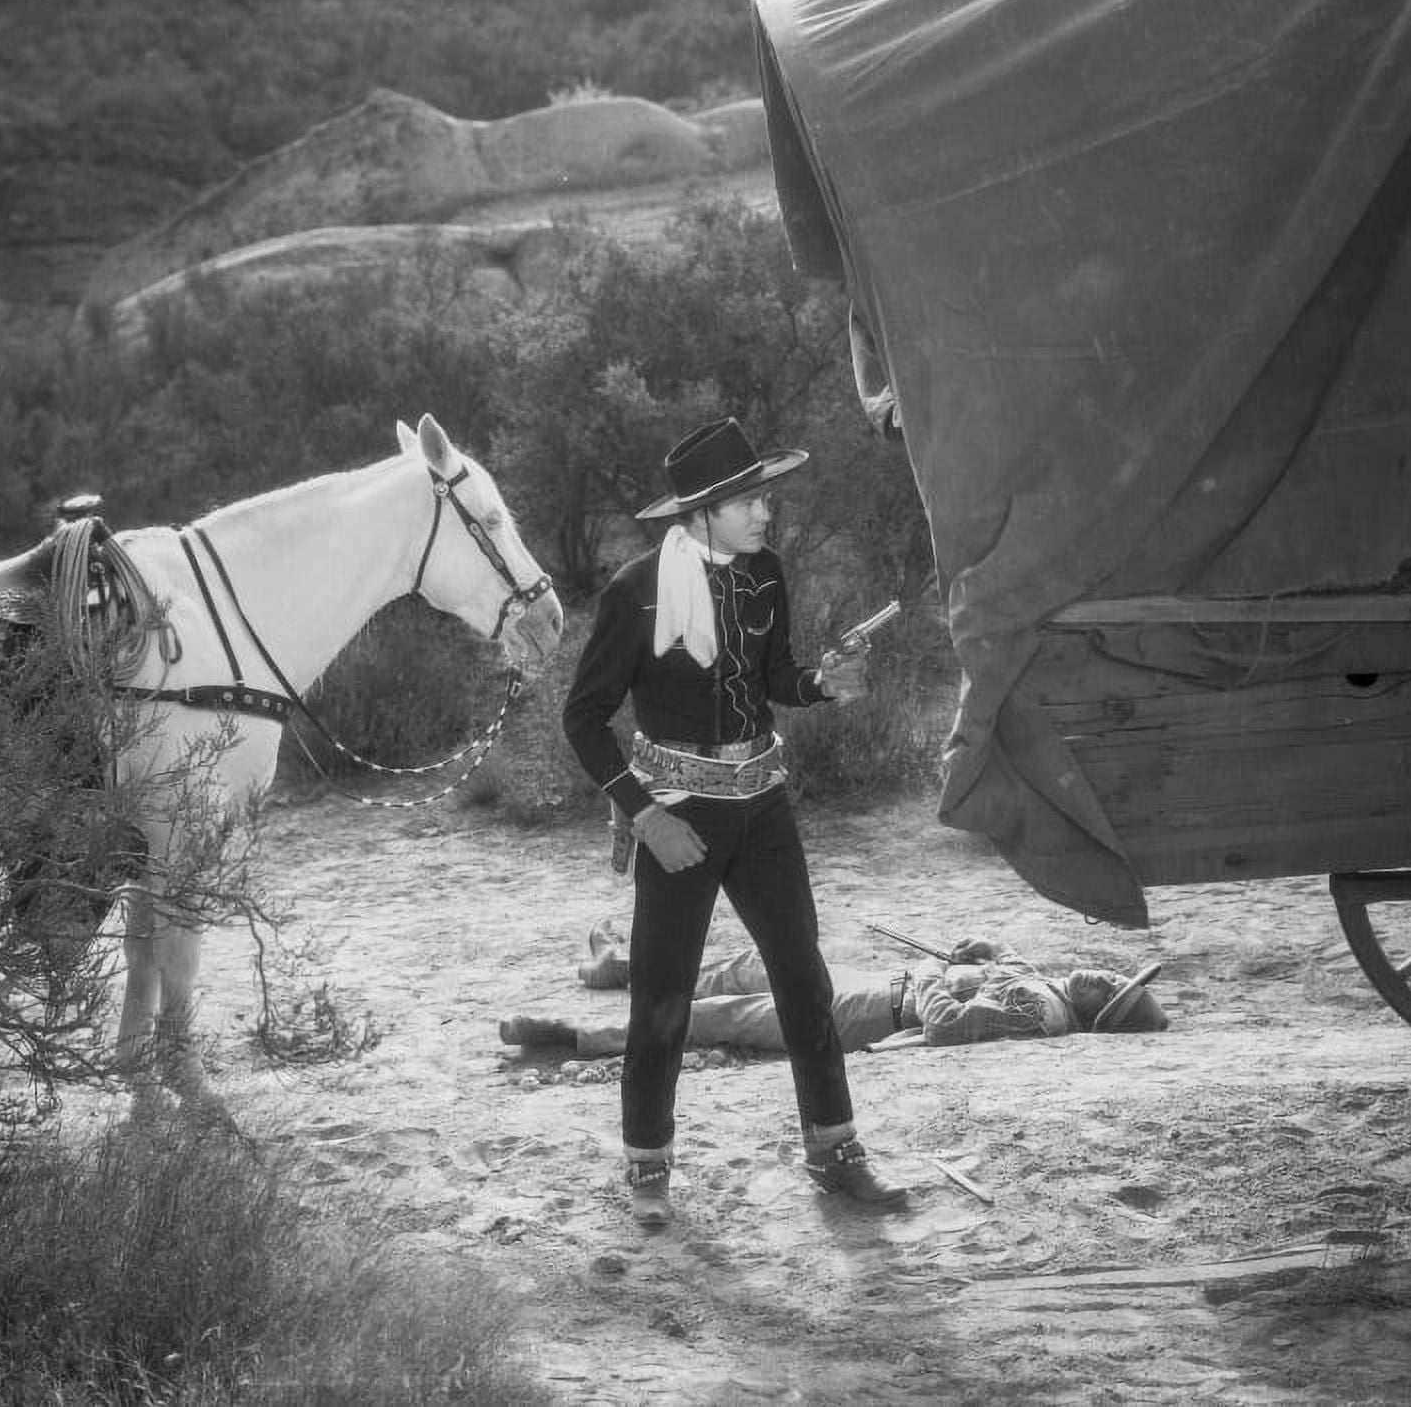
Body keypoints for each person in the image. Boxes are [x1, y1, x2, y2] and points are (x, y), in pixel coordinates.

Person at [560, 416, 902, 1226]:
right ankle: (648, 1169)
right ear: (703, 512)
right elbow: (583, 717)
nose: (765, 515)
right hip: (676, 814)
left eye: (764, 499)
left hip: (764, 806)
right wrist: (644, 817)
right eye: (748, 502)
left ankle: (835, 1149)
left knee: (804, 980)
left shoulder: (767, 573)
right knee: (662, 1001)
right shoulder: (636, 591)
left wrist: (823, 683)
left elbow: (776, 675)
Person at [499, 922, 1170, 1057]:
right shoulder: (1046, 987)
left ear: (1098, 1016)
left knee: (724, 1014)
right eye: (1115, 973)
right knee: (754, 961)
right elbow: (1006, 962)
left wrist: (938, 974)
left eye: (1110, 988)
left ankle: (574, 1038)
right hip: (881, 986)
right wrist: (986, 951)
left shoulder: (1040, 1015)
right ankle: (626, 969)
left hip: (875, 1010)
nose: (1104, 974)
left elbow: (946, 1027)